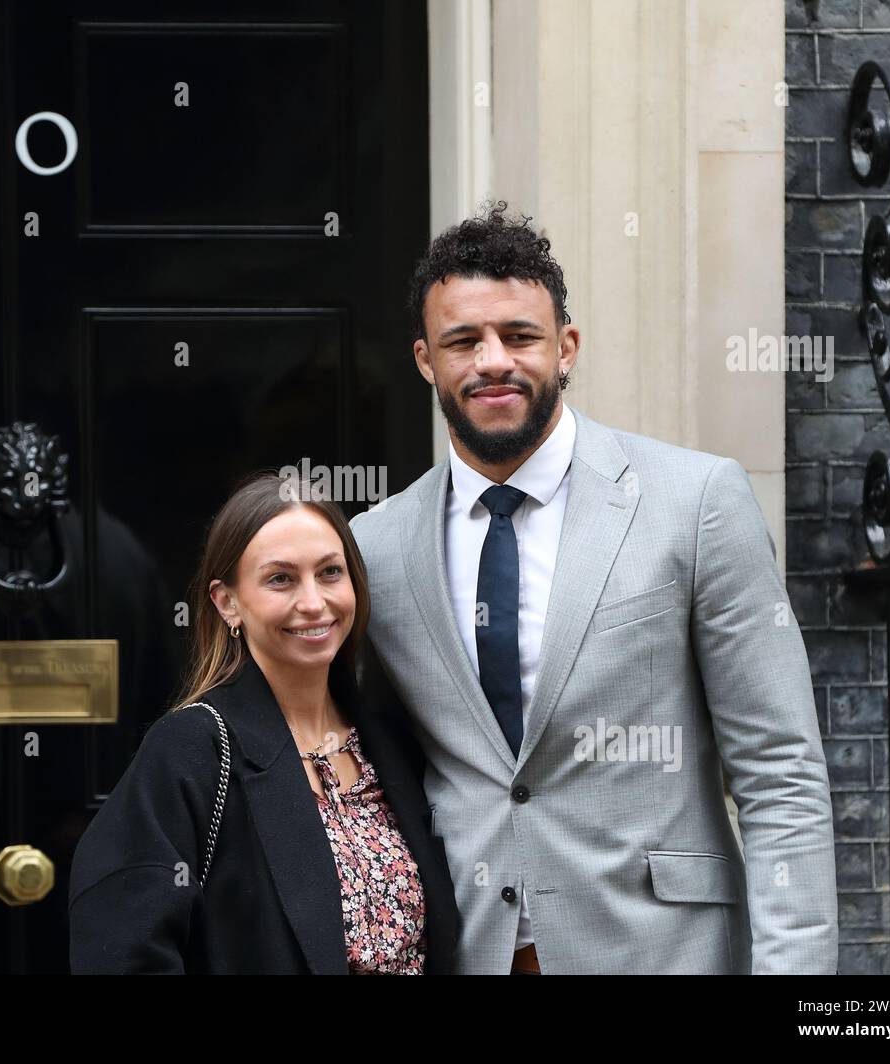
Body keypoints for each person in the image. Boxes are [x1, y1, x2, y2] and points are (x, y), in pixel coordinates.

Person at [350, 201, 838, 974]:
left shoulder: (697, 500)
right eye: (463, 341)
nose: (493, 361)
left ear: (566, 347)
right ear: (424, 360)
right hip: (469, 951)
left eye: (519, 336)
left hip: (665, 953)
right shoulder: (375, 545)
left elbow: (780, 769)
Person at [69, 472, 458, 974]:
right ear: (227, 602)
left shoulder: (391, 741)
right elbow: (120, 947)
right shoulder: (192, 750)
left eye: (330, 572)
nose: (313, 602)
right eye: (281, 579)